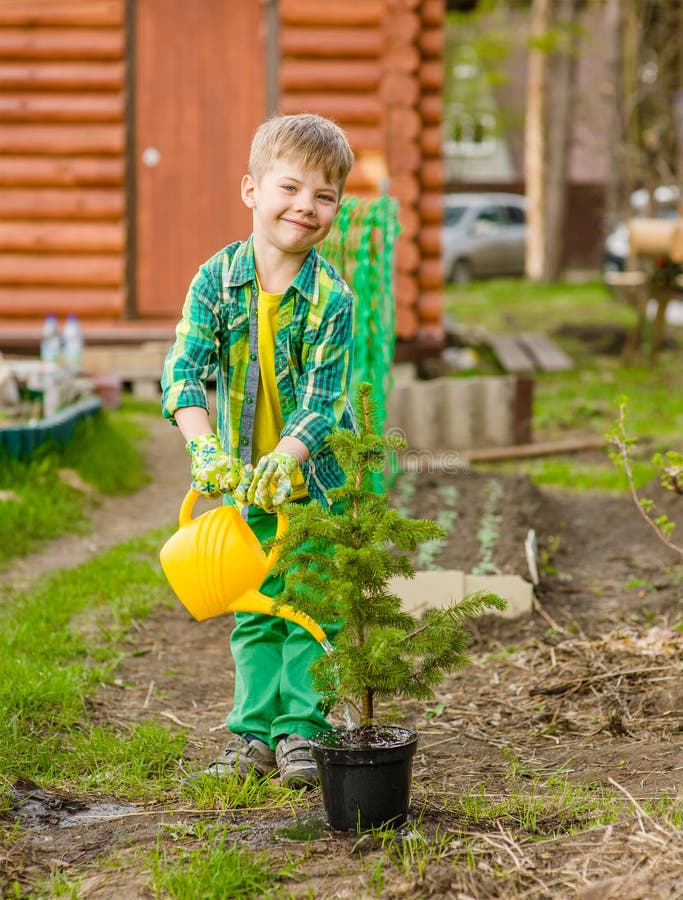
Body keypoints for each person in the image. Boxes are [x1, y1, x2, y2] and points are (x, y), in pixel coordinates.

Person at [161, 113, 356, 789]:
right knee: (252, 605)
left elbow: (322, 401)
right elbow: (184, 370)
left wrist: (286, 460)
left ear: (336, 208)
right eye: (290, 187)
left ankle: (302, 729)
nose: (305, 205)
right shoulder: (215, 281)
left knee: (309, 605)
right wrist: (205, 449)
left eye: (324, 196)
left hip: (314, 481)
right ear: (251, 190)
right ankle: (251, 731)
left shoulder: (332, 299)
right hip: (242, 485)